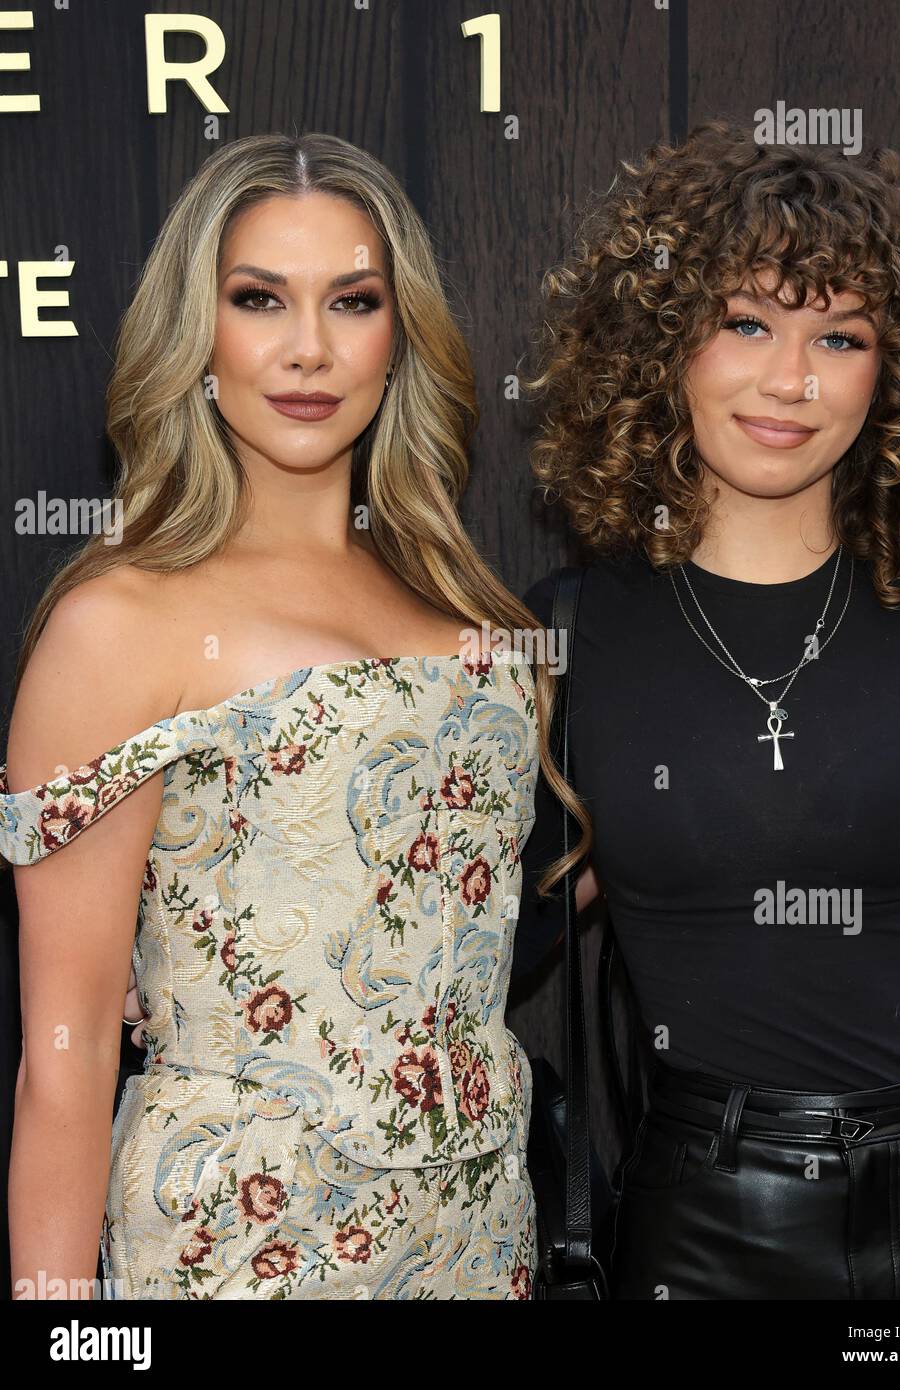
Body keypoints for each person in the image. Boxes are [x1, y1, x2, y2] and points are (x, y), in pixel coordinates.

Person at [2, 132, 583, 1300]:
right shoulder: (120, 623)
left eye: (352, 302)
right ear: (196, 331)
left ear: (398, 333)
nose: (309, 350)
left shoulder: (465, 605)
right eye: (259, 299)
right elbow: (62, 1063)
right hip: (240, 1247)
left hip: (477, 1239)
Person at [512, 120, 900, 1300]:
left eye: (837, 337)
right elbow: (477, 938)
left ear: (891, 373)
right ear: (664, 344)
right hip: (705, 1211)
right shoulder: (567, 633)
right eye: (747, 321)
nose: (789, 380)